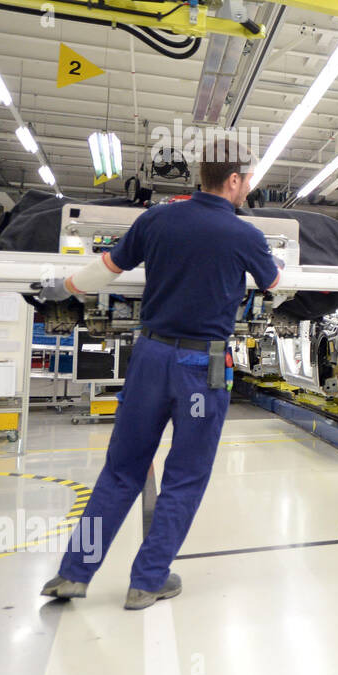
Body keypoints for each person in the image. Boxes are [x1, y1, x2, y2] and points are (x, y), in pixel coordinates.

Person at [39, 137, 281, 610]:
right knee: (185, 477)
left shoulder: (156, 219)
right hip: (202, 366)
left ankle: (72, 573)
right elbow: (274, 284)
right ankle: (148, 579)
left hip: (149, 358)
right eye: (247, 179)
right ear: (233, 180)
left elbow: (101, 272)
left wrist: (58, 287)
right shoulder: (244, 235)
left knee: (120, 471)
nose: (248, 187)